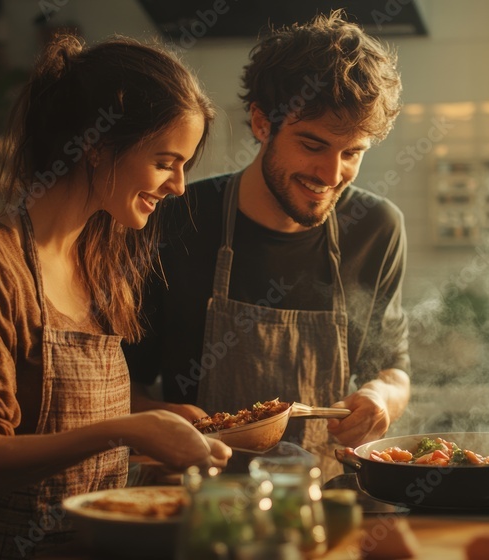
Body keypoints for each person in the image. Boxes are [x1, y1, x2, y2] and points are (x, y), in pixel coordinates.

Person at [0, 35, 230, 559]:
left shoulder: (101, 260)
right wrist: (127, 430)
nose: (178, 186)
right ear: (98, 145)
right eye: (165, 161)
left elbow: (58, 408)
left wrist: (158, 420)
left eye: (184, 166)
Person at [124, 12, 410, 475]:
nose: (331, 175)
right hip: (191, 503)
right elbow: (120, 380)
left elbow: (393, 368)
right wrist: (151, 416)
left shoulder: (376, 229)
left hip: (322, 503)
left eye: (352, 153)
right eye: (313, 145)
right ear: (261, 123)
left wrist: (382, 399)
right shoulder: (176, 216)